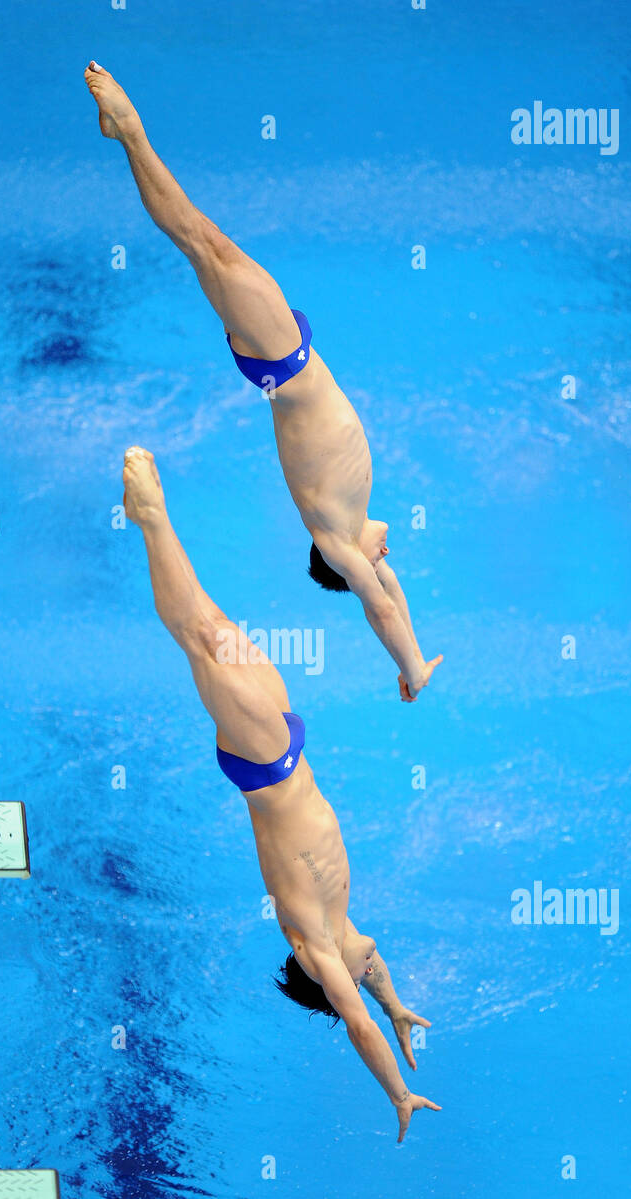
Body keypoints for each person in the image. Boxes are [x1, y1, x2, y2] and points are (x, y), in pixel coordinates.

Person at [86, 62, 443, 702]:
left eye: (382, 564)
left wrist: (411, 670)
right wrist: (413, 660)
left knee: (198, 237)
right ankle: (128, 134)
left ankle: (130, 132)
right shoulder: (348, 524)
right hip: (284, 357)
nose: (390, 561)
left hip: (282, 359)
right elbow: (395, 600)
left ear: (356, 565)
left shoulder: (336, 540)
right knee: (201, 241)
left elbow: (379, 607)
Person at [122, 445, 440, 1142]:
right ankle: (154, 522)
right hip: (284, 742)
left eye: (363, 983)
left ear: (324, 979)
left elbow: (352, 1019)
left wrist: (396, 1093)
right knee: (214, 626)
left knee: (199, 638)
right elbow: (373, 981)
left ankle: (150, 519)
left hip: (264, 763)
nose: (374, 969)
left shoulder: (315, 944)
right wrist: (396, 1008)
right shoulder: (347, 935)